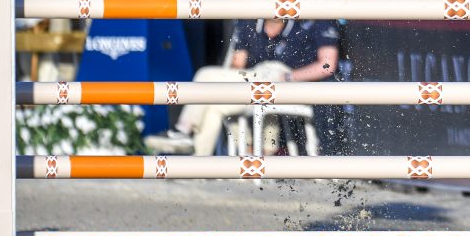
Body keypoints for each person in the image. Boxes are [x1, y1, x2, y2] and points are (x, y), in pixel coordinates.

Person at [146, 15, 340, 156]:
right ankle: (199, 164)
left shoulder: (305, 22)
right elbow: (237, 65)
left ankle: (184, 131)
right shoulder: (252, 25)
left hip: (283, 81)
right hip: (260, 80)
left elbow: (327, 65)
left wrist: (289, 76)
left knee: (206, 75)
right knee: (215, 107)